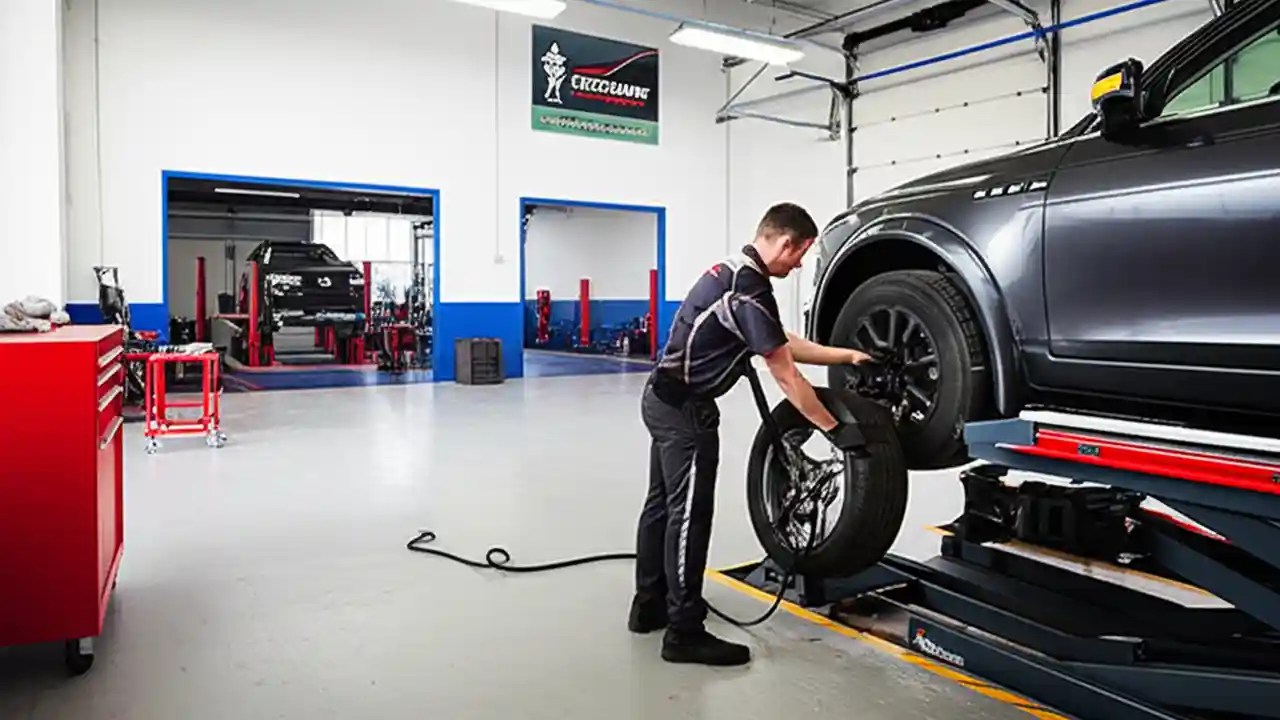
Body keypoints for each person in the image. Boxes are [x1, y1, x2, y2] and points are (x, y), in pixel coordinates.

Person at [629, 202, 876, 666]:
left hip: (660, 399)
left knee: (661, 506)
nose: (799, 263)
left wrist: (846, 357)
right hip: (685, 412)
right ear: (785, 243)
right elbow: (785, 375)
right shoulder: (750, 288)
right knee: (688, 517)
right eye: (800, 253)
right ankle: (682, 633)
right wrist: (838, 431)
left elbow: (781, 343)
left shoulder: (734, 273)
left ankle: (649, 607)